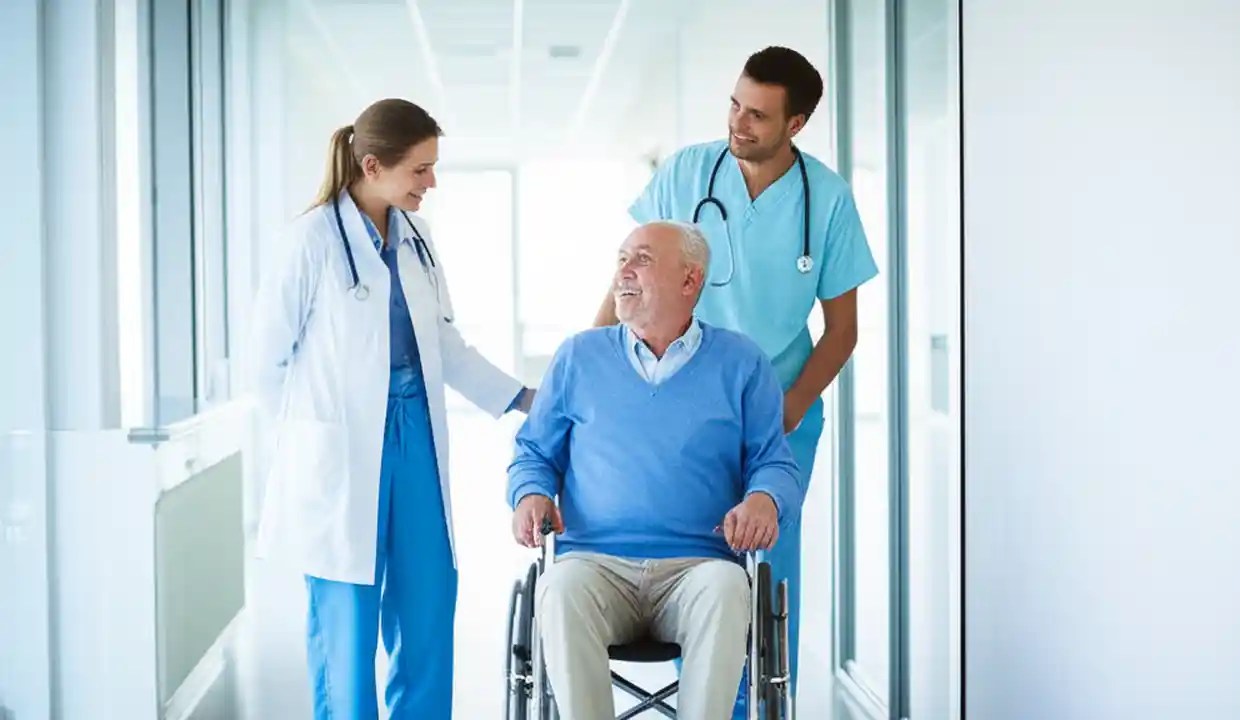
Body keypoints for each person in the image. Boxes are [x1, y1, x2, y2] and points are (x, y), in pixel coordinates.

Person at [593, 46, 880, 714]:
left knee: (768, 570)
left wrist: (789, 410)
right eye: (734, 105)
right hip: (685, 404)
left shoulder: (827, 199)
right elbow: (629, 278)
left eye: (758, 115)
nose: (738, 123)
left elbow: (842, 330)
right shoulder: (687, 172)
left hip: (779, 410)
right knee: (692, 558)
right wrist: (591, 366)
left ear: (795, 124)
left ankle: (761, 707)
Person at [248, 98, 534, 719]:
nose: (431, 182)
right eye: (420, 170)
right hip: (340, 453)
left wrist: (522, 399)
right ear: (373, 166)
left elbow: (445, 344)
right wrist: (304, 451)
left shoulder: (417, 238)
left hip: (415, 438)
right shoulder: (309, 240)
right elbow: (266, 363)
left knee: (427, 601)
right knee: (346, 621)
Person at [508, 221, 803, 719]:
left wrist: (764, 499)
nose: (623, 271)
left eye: (641, 259)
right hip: (595, 566)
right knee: (558, 589)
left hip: (699, 568)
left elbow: (774, 460)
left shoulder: (741, 362)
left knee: (729, 588)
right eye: (621, 259)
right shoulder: (579, 357)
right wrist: (531, 493)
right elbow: (534, 451)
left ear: (690, 280)